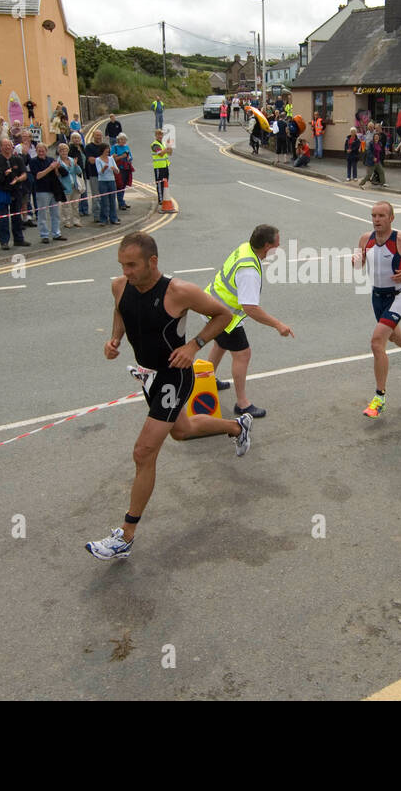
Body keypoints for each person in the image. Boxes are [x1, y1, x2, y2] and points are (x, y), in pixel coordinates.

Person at [85, 233, 253, 561]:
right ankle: (237, 427)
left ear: (153, 262)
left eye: (132, 265)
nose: (126, 271)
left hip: (173, 376)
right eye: (122, 264)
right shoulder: (120, 286)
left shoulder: (178, 292)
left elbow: (224, 316)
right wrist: (114, 339)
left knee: (143, 452)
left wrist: (194, 345)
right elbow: (120, 311)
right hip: (149, 374)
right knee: (183, 430)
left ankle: (125, 535)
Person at [204, 225, 294, 418]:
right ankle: (242, 404)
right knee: (243, 354)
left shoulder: (245, 248)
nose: (279, 246)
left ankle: (206, 379)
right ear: (267, 245)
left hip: (212, 304)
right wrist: (278, 324)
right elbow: (250, 308)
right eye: (277, 243)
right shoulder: (249, 271)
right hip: (223, 315)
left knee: (221, 343)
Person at [352, 201, 401, 417]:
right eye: (374, 215)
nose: (376, 220)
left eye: (381, 216)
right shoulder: (364, 239)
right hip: (377, 296)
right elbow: (359, 265)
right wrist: (355, 261)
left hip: (398, 297)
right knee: (395, 336)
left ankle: (380, 397)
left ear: (391, 218)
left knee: (377, 342)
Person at [0, 139, 30, 250]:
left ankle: (18, 240)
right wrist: (3, 174)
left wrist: (18, 179)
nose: (7, 147)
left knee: (16, 216)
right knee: (3, 218)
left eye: (9, 145)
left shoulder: (17, 159)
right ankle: (4, 242)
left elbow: (25, 174)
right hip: (2, 192)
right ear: (1, 147)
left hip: (16, 191)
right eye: (5, 145)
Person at [29, 143, 65, 243]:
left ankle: (56, 233)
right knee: (42, 214)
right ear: (36, 151)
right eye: (39, 151)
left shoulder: (51, 160)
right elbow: (38, 176)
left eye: (43, 151)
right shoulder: (33, 162)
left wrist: (56, 168)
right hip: (42, 191)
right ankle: (44, 235)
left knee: (55, 214)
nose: (41, 153)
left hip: (53, 190)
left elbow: (58, 174)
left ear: (46, 151)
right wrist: (50, 168)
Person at [112, 133, 133, 210]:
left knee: (124, 185)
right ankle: (121, 203)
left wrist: (128, 158)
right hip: (118, 169)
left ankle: (122, 202)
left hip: (126, 168)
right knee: (119, 185)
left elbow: (130, 157)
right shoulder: (114, 147)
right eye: (121, 139)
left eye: (124, 139)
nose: (123, 141)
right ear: (118, 140)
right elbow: (112, 159)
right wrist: (121, 156)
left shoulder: (126, 147)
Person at [151, 129, 172, 207]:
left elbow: (170, 153)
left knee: (165, 183)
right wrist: (166, 149)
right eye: (158, 135)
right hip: (158, 167)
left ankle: (165, 197)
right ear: (155, 136)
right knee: (160, 183)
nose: (160, 136)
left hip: (165, 166)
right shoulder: (154, 145)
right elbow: (160, 154)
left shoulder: (163, 144)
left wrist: (169, 146)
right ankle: (160, 199)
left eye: (161, 135)